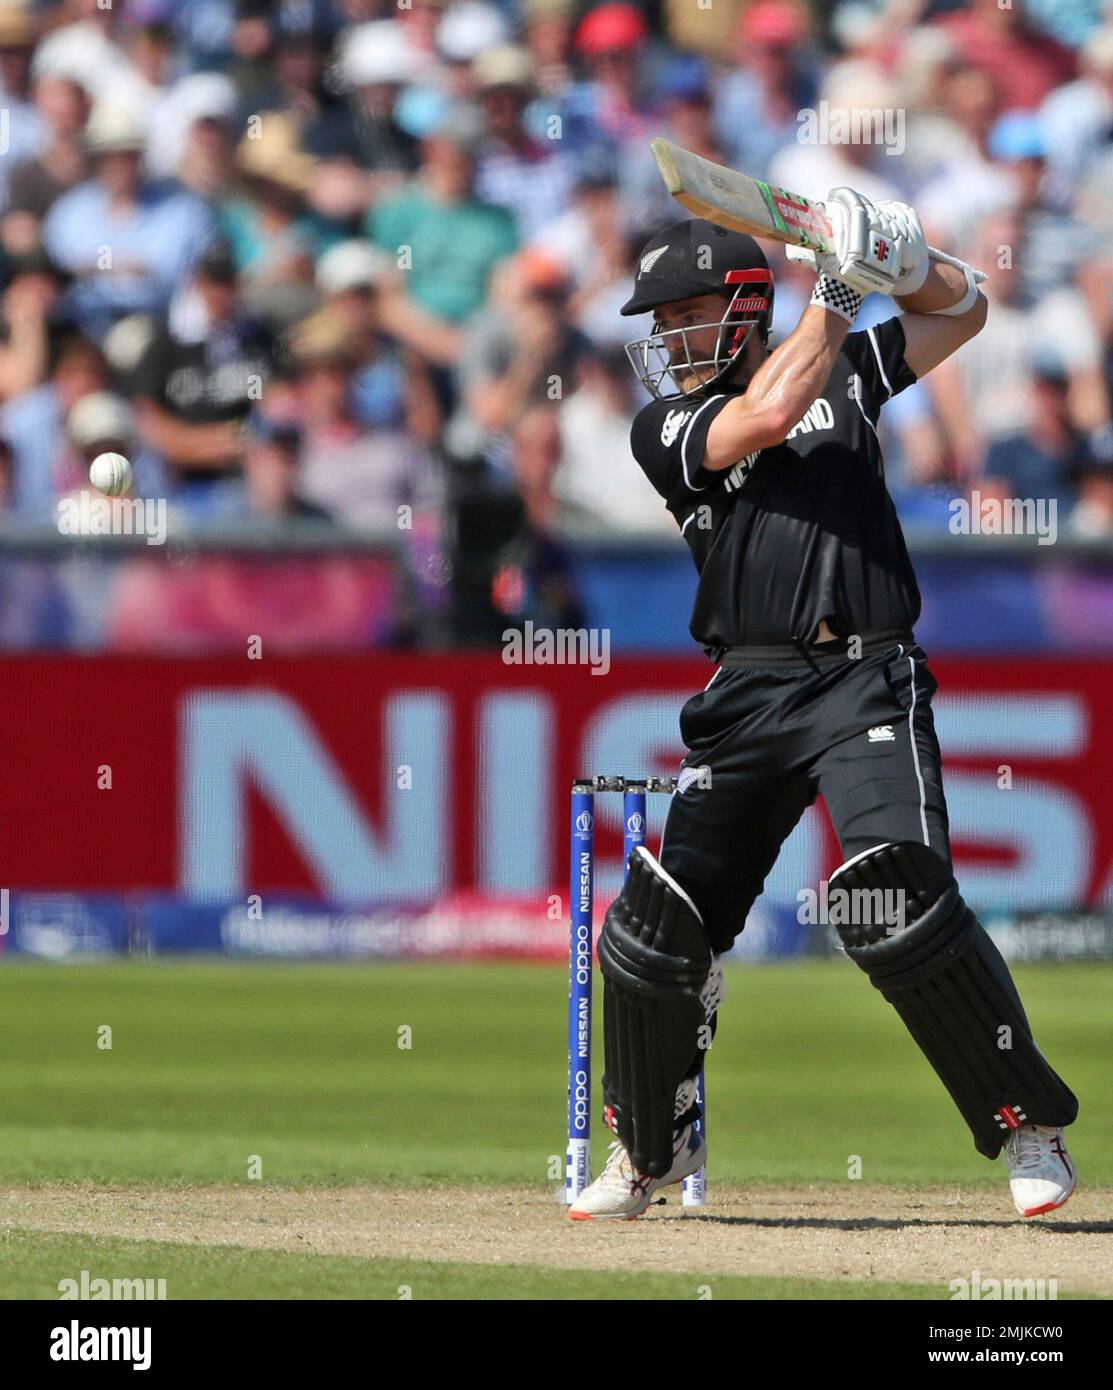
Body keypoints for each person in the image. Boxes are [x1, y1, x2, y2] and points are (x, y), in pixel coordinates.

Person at [567, 197, 1078, 1221]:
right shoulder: (664, 425)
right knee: (650, 935)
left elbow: (965, 311)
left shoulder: (843, 372)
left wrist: (895, 253)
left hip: (865, 676)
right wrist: (839, 290)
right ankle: (652, 1145)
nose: (668, 340)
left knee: (895, 897)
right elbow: (760, 416)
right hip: (747, 691)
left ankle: (1028, 1126)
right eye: (658, 325)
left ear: (746, 304)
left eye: (685, 316)